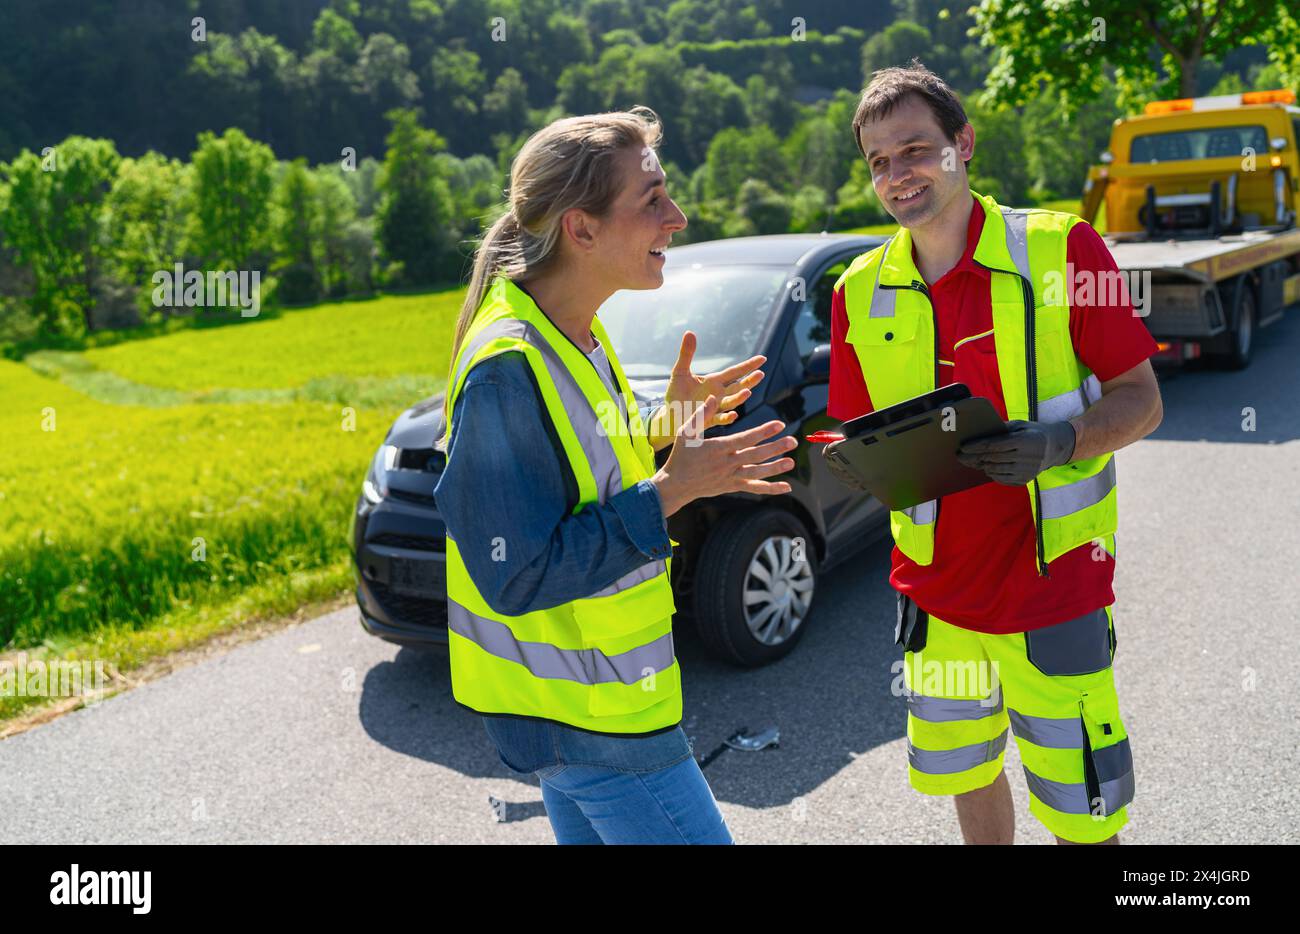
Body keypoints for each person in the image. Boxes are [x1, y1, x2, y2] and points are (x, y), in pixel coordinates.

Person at [432, 107, 799, 844]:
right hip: (593, 716)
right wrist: (676, 487)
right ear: (582, 228)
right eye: (652, 200)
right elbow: (517, 573)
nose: (679, 216)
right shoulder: (508, 368)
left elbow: (586, 465)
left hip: (596, 704)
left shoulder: (576, 331)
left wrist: (671, 426)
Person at [828, 63, 1163, 844]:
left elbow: (1142, 398)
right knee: (969, 779)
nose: (896, 175)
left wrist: (1061, 441)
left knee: (1085, 812)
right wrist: (843, 462)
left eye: (914, 150)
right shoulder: (857, 289)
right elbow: (853, 428)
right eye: (879, 161)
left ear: (963, 144)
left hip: (1056, 598)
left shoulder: (1064, 248)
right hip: (936, 604)